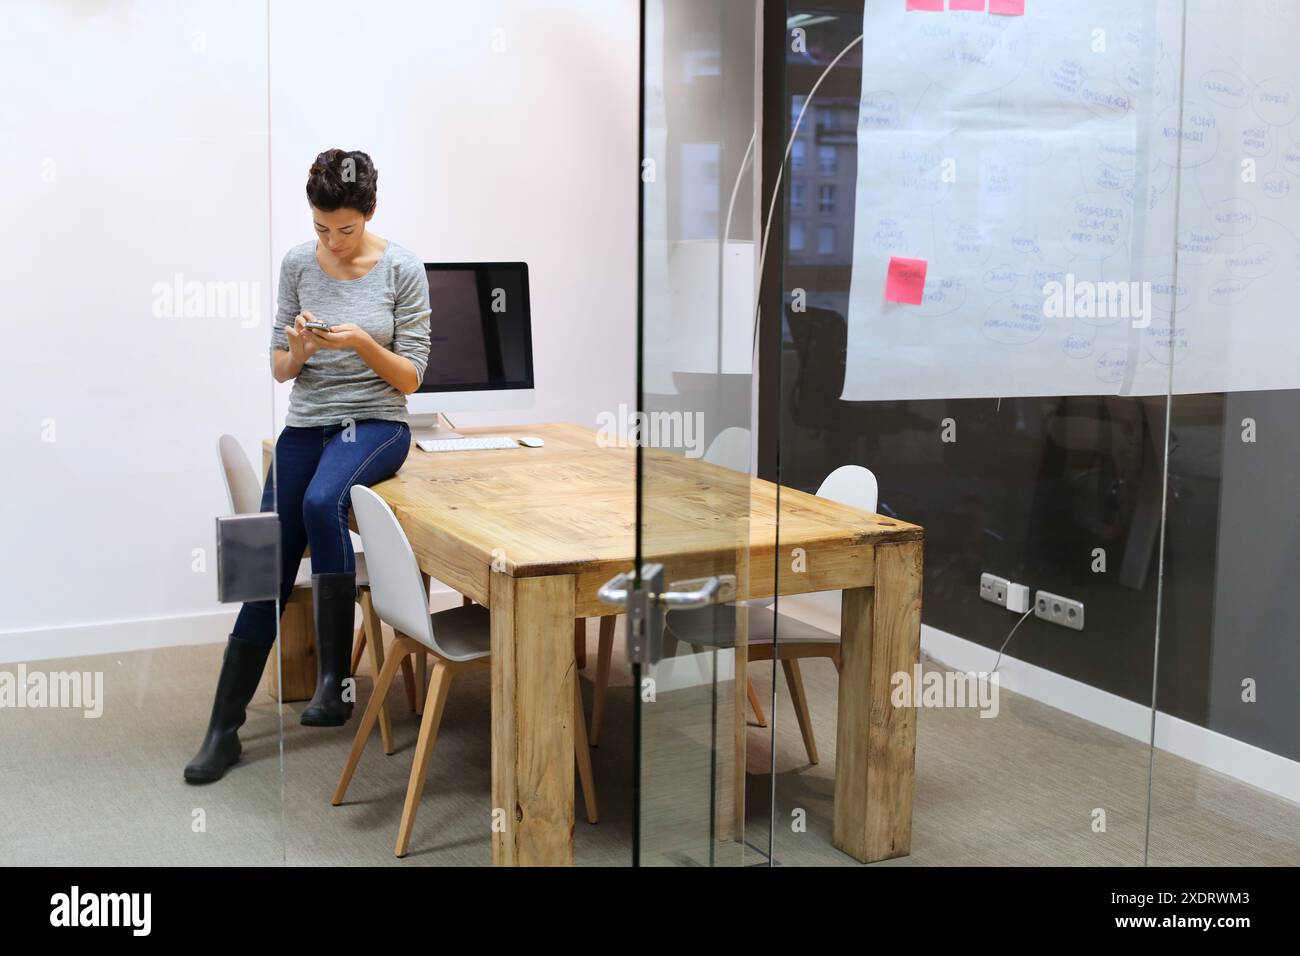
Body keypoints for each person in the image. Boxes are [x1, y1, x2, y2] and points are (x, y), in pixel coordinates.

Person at [185, 148, 431, 783]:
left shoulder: (403, 268)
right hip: (308, 421)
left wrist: (362, 342)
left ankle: (333, 681)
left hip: (376, 423)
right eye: (322, 228)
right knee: (263, 557)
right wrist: (295, 349)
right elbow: (278, 368)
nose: (333, 241)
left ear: (369, 214)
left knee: (323, 503)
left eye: (345, 229)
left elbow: (410, 378)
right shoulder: (299, 262)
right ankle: (223, 728)